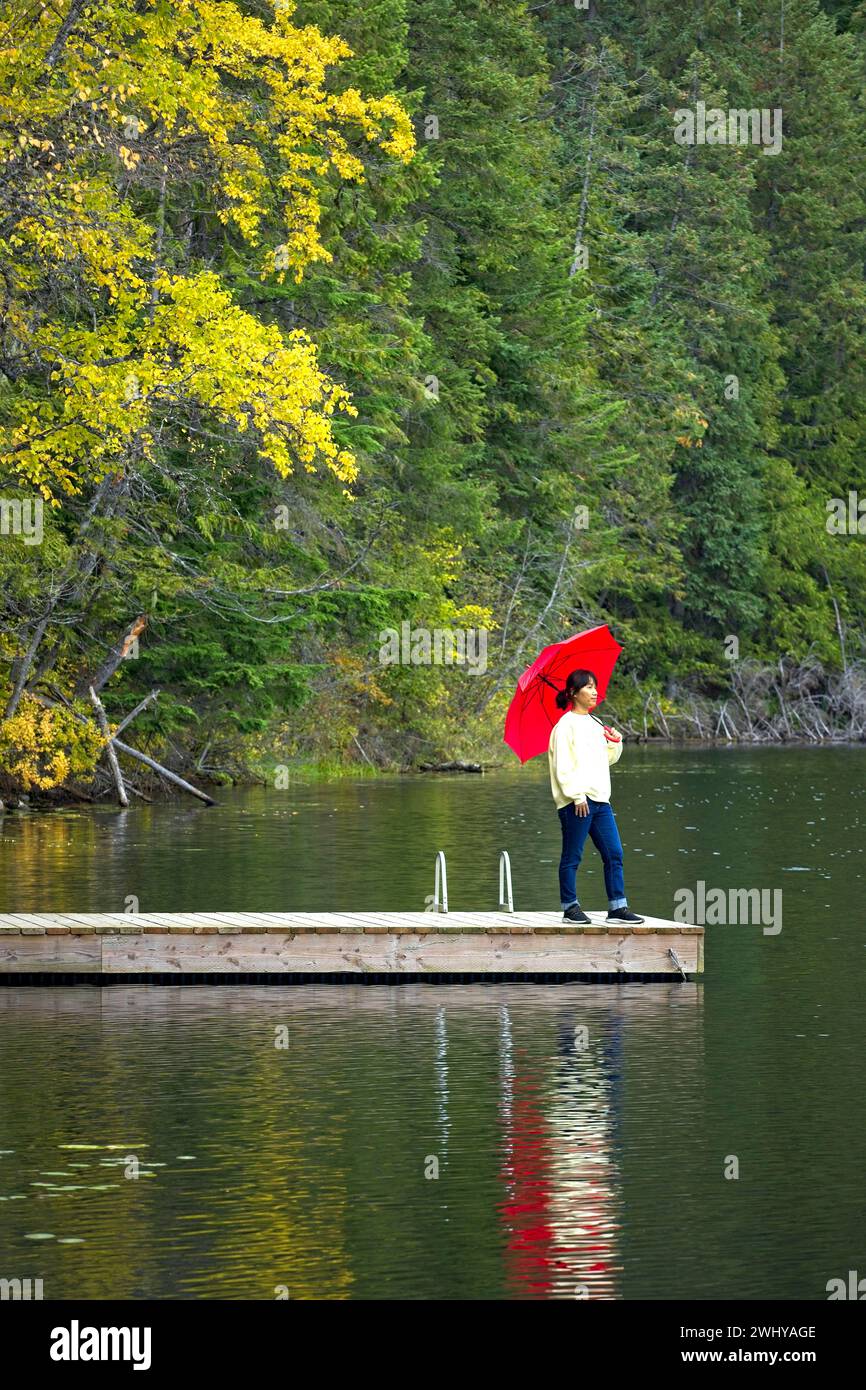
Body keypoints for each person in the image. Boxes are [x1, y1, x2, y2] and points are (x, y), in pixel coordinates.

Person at [548, 668, 645, 925]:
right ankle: (570, 908)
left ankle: (617, 908)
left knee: (614, 853)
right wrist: (576, 796)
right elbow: (562, 766)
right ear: (573, 693)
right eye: (589, 687)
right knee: (572, 856)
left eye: (595, 686)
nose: (594, 692)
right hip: (576, 803)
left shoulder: (596, 723)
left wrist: (615, 742)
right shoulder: (564, 726)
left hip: (601, 801)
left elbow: (606, 759)